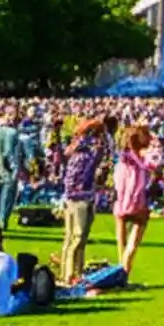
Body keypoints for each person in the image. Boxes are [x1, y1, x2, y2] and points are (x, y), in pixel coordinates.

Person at [61, 119, 103, 285]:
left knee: (70, 238)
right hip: (80, 199)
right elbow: (84, 176)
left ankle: (72, 272)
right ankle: (71, 275)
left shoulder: (77, 152)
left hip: (72, 199)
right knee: (78, 238)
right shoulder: (83, 155)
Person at [113, 125, 158, 278]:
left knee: (121, 242)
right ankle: (125, 272)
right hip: (139, 203)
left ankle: (119, 272)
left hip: (121, 203)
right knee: (133, 244)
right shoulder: (144, 158)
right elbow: (155, 167)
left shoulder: (122, 159)